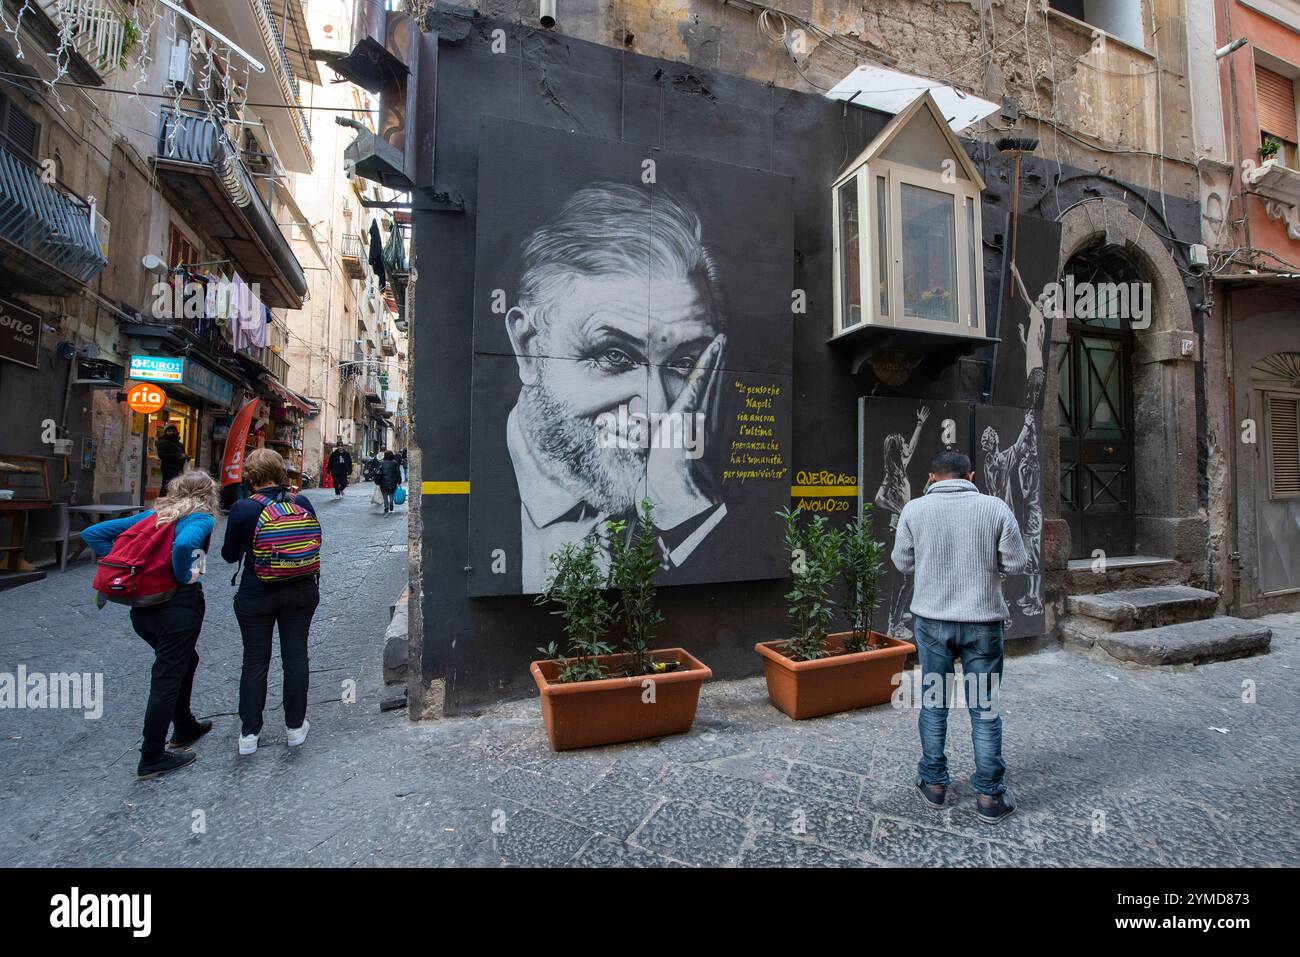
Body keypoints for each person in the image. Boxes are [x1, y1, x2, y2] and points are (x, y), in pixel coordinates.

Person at [491, 183, 730, 594]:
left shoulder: (702, 492)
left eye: (684, 363)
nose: (656, 406)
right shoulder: (471, 490)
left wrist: (683, 512)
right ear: (529, 349)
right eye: (615, 355)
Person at [891, 449, 1029, 825]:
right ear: (971, 475)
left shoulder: (914, 510)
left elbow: (901, 562)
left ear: (932, 478)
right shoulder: (995, 507)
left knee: (934, 702)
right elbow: (1017, 563)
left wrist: (933, 562)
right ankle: (989, 796)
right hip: (983, 622)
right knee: (984, 710)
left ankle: (934, 785)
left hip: (932, 622)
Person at [82, 470, 218, 779]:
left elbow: (95, 534)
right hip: (177, 605)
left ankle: (184, 724)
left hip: (143, 610)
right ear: (207, 494)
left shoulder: (153, 515)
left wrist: (134, 570)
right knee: (167, 676)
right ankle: (152, 755)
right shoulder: (201, 518)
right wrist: (182, 575)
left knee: (186, 660)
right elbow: (185, 547)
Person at [221, 448, 321, 755]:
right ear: (281, 472)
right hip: (300, 589)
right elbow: (314, 540)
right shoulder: (300, 502)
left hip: (257, 591)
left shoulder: (242, 509)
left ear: (250, 477)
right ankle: (294, 727)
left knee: (254, 660)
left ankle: (249, 734)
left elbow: (228, 555)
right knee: (296, 657)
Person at [154, 425, 187, 496]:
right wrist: (179, 456)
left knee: (175, 487)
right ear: (166, 432)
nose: (172, 432)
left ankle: (171, 502)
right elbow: (162, 455)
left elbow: (181, 454)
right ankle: (163, 503)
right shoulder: (163, 441)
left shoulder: (179, 443)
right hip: (169, 468)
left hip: (178, 469)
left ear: (176, 432)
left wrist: (185, 457)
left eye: (173, 431)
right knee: (167, 487)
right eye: (169, 431)